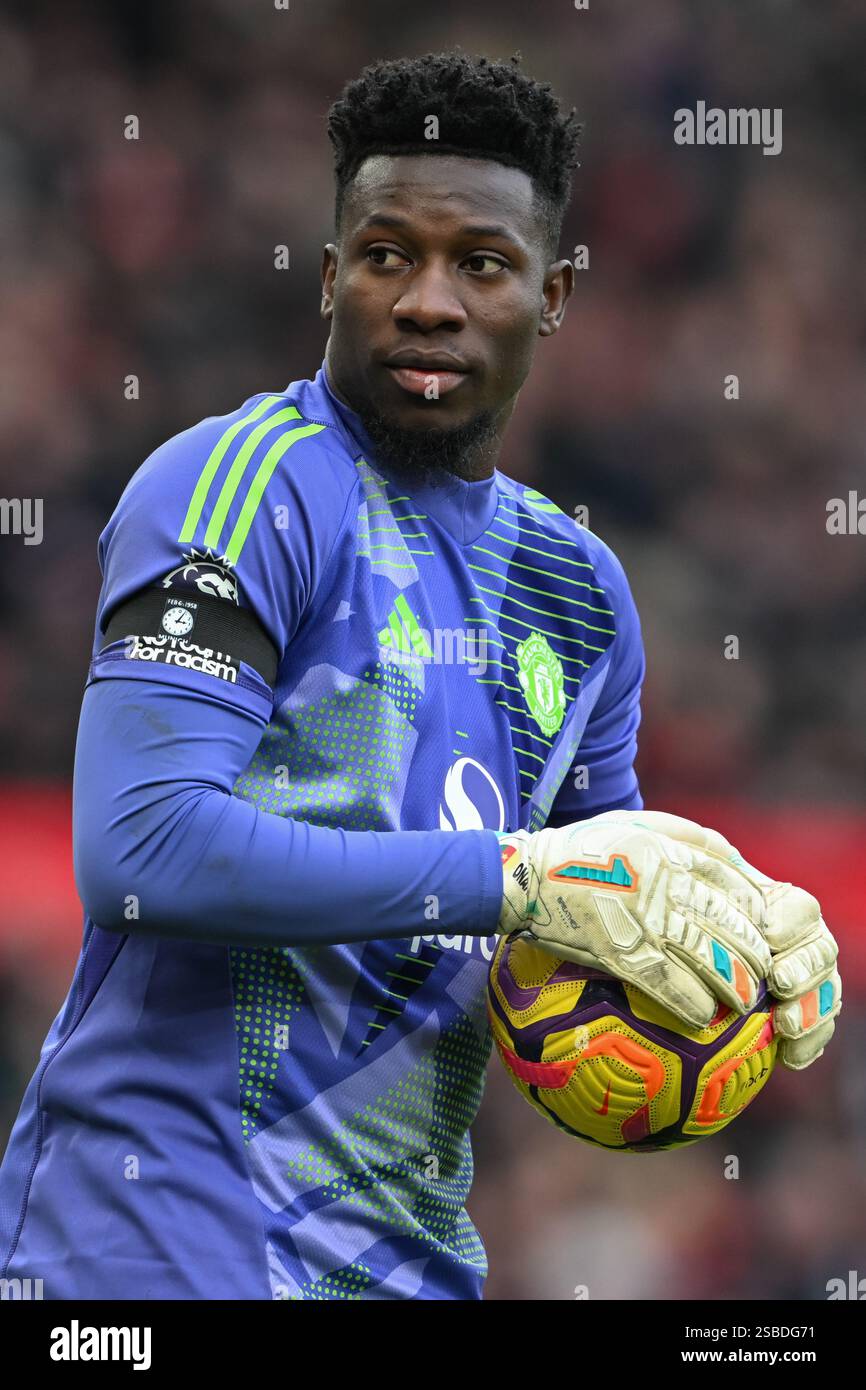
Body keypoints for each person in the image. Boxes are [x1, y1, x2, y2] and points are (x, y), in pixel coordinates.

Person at [0, 51, 839, 1301]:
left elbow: (590, 908)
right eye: (387, 255)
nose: (427, 301)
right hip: (153, 1254)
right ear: (330, 276)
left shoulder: (578, 589)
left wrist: (739, 935)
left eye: (481, 265)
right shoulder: (239, 488)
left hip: (407, 1266)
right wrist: (509, 878)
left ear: (550, 294)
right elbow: (141, 851)